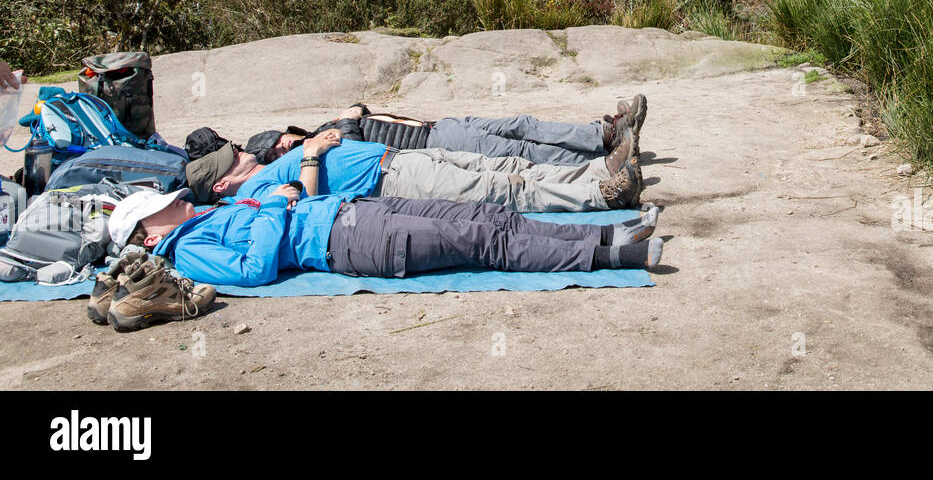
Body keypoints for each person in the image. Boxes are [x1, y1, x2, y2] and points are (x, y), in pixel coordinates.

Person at [106, 185, 664, 289]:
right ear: (146, 237)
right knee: (481, 242)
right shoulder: (191, 251)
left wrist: (280, 197)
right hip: (349, 244)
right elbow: (254, 270)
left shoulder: (200, 217)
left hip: (356, 210)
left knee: (491, 215)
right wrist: (274, 209)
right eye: (161, 210)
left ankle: (612, 230)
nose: (176, 202)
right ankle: (613, 256)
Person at [182, 114, 644, 212]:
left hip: (402, 155)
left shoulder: (255, 174)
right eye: (233, 160)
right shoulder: (250, 195)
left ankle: (599, 172)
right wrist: (308, 153)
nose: (240, 153)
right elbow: (309, 208)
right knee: (503, 189)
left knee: (502, 171)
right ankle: (600, 196)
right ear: (221, 185)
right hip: (390, 179)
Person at [263, 95, 648, 170]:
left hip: (440, 124)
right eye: (277, 146)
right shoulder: (310, 158)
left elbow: (362, 107)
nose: (282, 142)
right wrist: (348, 120)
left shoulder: (317, 131)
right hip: (432, 144)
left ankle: (604, 134)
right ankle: (602, 161)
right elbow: (356, 146)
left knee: (522, 124)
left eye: (280, 137)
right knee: (522, 152)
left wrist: (353, 111)